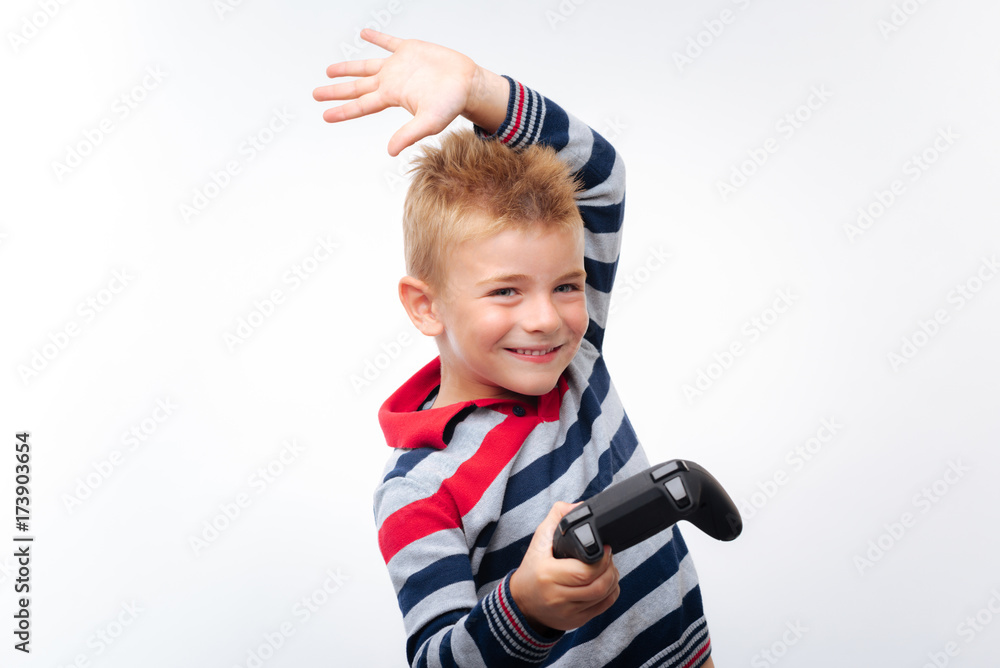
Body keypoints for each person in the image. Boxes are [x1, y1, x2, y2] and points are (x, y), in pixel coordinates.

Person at [314, 29, 716, 668]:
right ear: (425, 306)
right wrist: (527, 609)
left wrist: (479, 91)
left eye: (567, 286)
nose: (546, 319)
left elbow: (600, 176)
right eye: (505, 291)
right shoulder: (421, 490)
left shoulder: (577, 359)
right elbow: (437, 659)